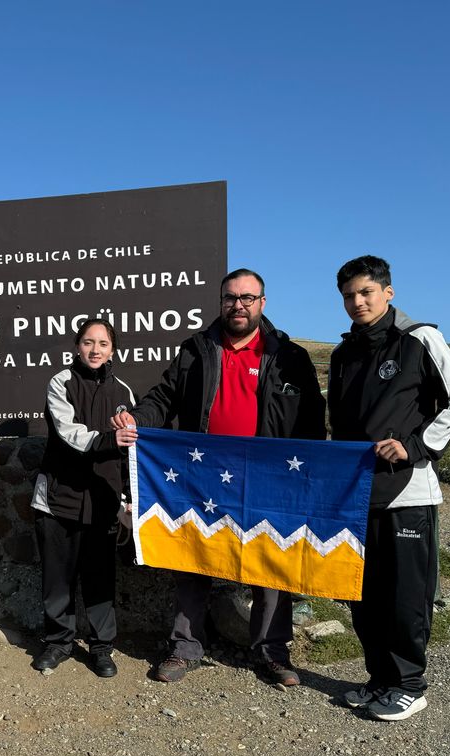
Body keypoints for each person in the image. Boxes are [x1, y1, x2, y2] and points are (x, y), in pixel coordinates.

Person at [114, 268, 325, 686]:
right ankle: (185, 646)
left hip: (269, 477)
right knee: (194, 557)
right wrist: (136, 420)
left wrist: (308, 471)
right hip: (205, 474)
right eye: (231, 298)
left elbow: (312, 421)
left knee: (271, 561)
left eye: (248, 297)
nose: (239, 305)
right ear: (221, 302)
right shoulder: (196, 350)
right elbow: (163, 397)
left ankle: (272, 654)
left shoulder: (290, 357)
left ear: (263, 303)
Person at [327, 255, 450, 721]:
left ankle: (410, 683)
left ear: (388, 292)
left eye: (366, 292)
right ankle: (379, 680)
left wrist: (414, 446)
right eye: (349, 295)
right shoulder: (342, 354)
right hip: (357, 492)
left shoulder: (420, 339)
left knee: (405, 593)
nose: (357, 302)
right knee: (362, 592)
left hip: (409, 492)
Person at [31, 319, 138, 677]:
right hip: (59, 498)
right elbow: (67, 433)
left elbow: (130, 454)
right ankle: (58, 642)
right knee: (57, 578)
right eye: (89, 342)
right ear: (77, 345)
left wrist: (126, 499)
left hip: (102, 501)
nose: (95, 350)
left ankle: (102, 648)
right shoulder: (59, 382)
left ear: (113, 350)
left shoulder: (124, 392)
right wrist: (109, 439)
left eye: (103, 344)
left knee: (100, 577)